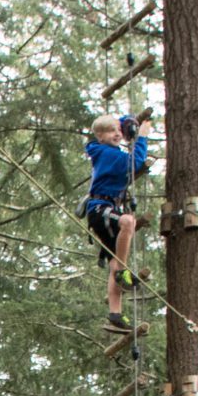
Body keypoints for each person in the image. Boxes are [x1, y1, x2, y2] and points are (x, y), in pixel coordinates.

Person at [78, 112, 152, 332]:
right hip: (101, 208)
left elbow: (121, 131)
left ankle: (115, 314)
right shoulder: (105, 152)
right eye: (112, 132)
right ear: (100, 136)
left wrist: (130, 124)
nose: (117, 135)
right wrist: (143, 137)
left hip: (107, 209)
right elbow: (135, 162)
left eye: (119, 132)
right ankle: (121, 272)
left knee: (114, 261)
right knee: (128, 222)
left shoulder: (108, 150)